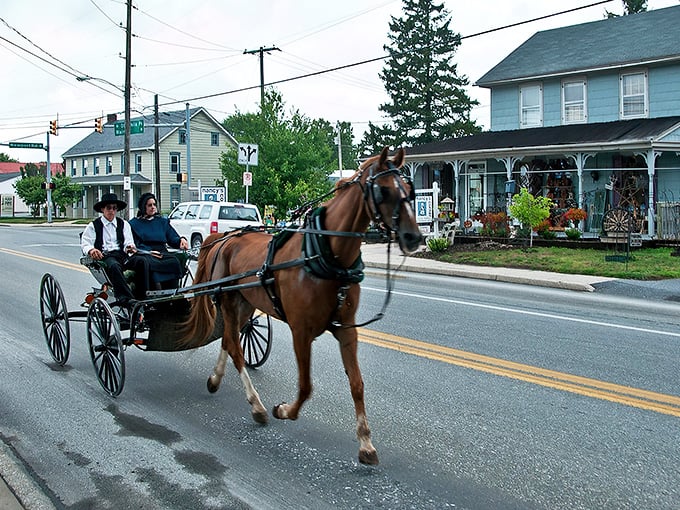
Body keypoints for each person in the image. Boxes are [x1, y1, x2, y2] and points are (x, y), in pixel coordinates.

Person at [127, 192, 189, 299]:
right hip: (145, 253)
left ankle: (173, 294)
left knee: (174, 261)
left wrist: (181, 240)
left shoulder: (162, 222)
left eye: (154, 205)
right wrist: (149, 252)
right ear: (143, 207)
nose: (153, 207)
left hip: (161, 252)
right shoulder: (134, 224)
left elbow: (172, 237)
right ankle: (152, 294)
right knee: (150, 264)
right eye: (149, 205)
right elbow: (135, 244)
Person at [80, 193, 137, 305]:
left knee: (142, 261)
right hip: (105, 257)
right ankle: (125, 298)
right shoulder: (94, 226)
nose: (112, 211)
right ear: (102, 209)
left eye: (114, 208)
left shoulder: (124, 224)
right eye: (109, 208)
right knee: (114, 266)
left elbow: (128, 242)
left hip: (121, 255)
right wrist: (92, 250)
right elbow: (86, 243)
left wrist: (130, 247)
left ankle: (145, 294)